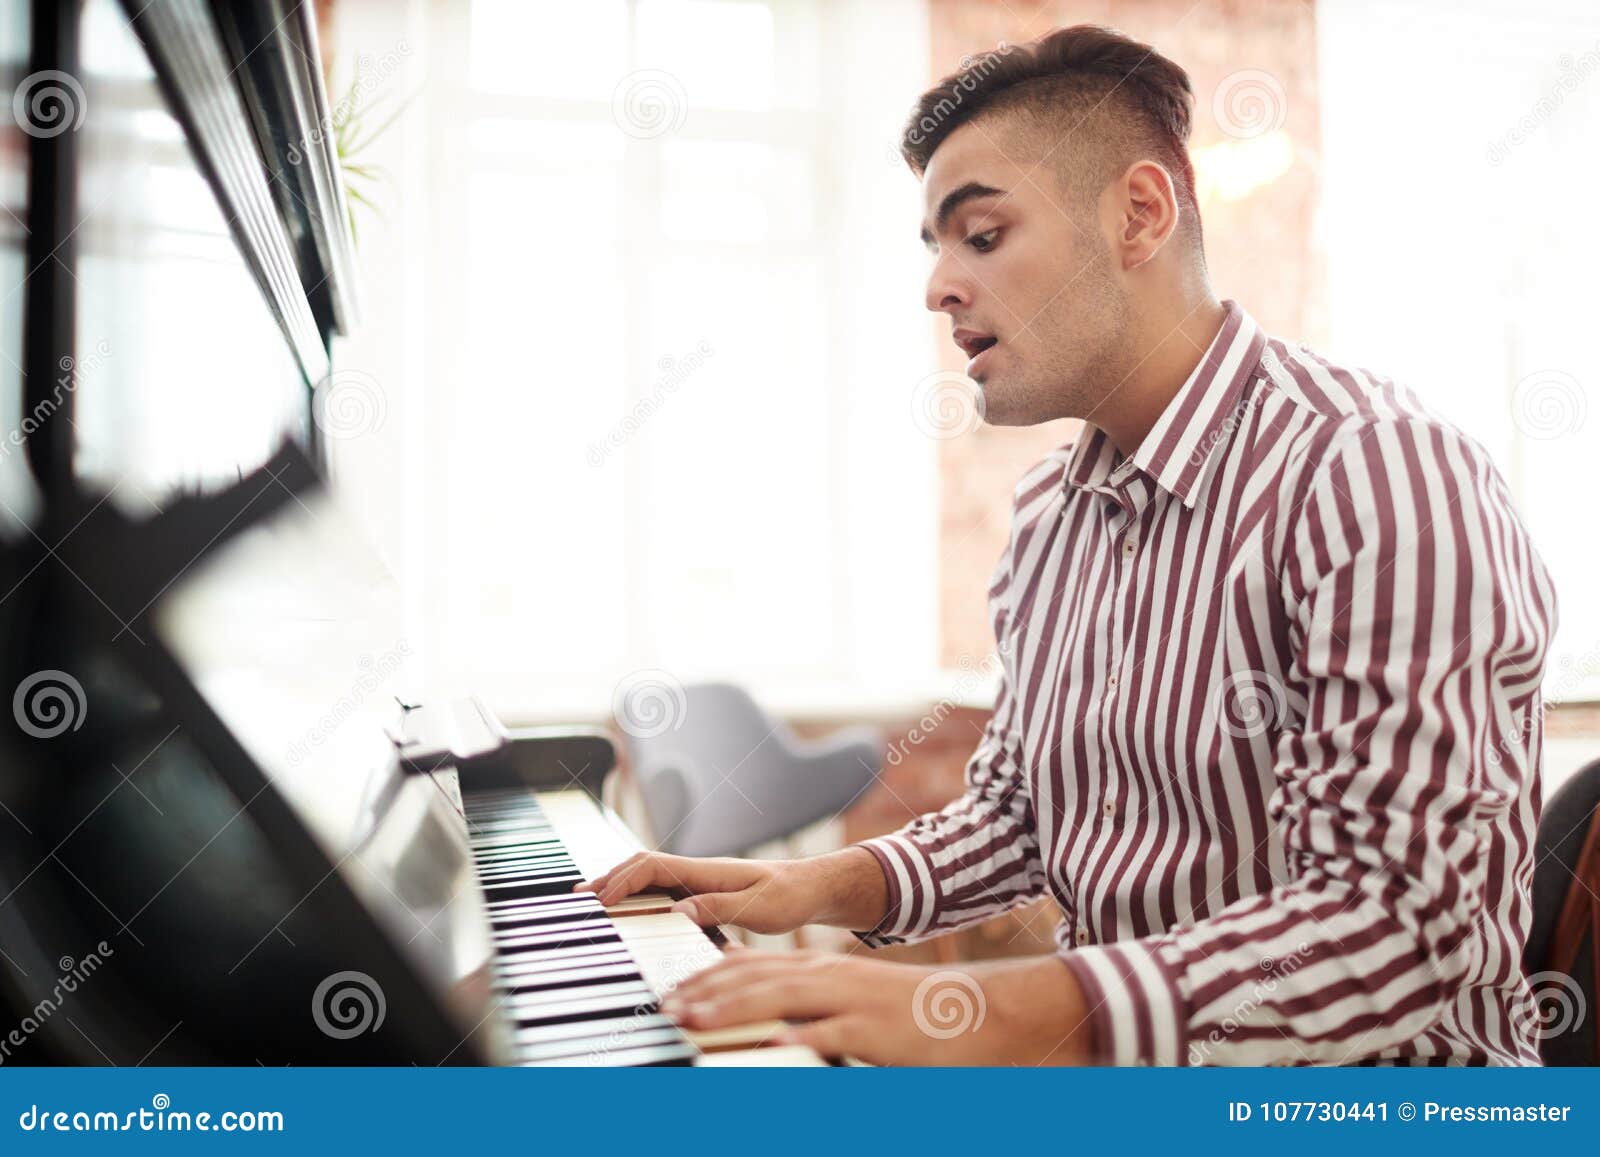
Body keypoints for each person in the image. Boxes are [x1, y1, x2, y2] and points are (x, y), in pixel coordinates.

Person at [579, 24, 1556, 1066]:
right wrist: (802, 886)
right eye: (935, 248)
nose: (938, 287)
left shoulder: (1376, 469)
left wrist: (975, 1011)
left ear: (1140, 215)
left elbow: (1392, 922)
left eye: (982, 235)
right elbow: (1018, 821)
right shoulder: (1050, 512)